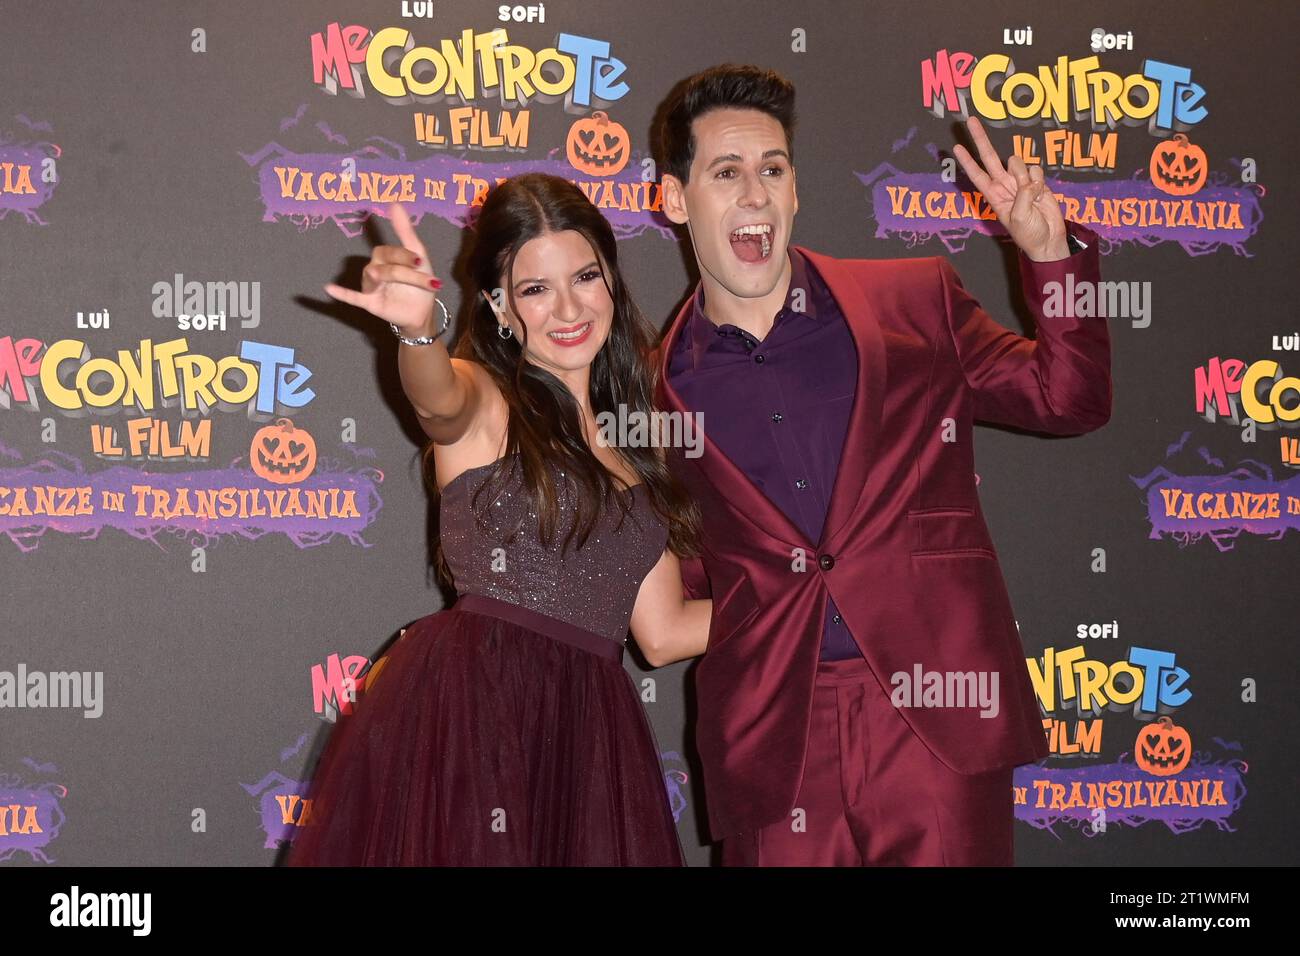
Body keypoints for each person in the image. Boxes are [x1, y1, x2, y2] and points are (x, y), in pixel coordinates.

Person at [650, 64, 1112, 865]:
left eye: (773, 169)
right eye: (725, 173)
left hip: (931, 718)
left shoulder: (912, 301)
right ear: (673, 198)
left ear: (795, 190)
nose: (754, 193)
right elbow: (690, 580)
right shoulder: (658, 391)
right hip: (774, 740)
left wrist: (1051, 259)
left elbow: (1067, 399)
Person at [285, 174, 712, 866]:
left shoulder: (638, 451)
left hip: (590, 740)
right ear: (499, 306)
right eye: (536, 289)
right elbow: (437, 401)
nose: (569, 308)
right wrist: (417, 333)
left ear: (611, 281)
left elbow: (663, 635)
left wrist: (804, 605)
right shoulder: (484, 399)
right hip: (478, 711)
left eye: (585, 277)